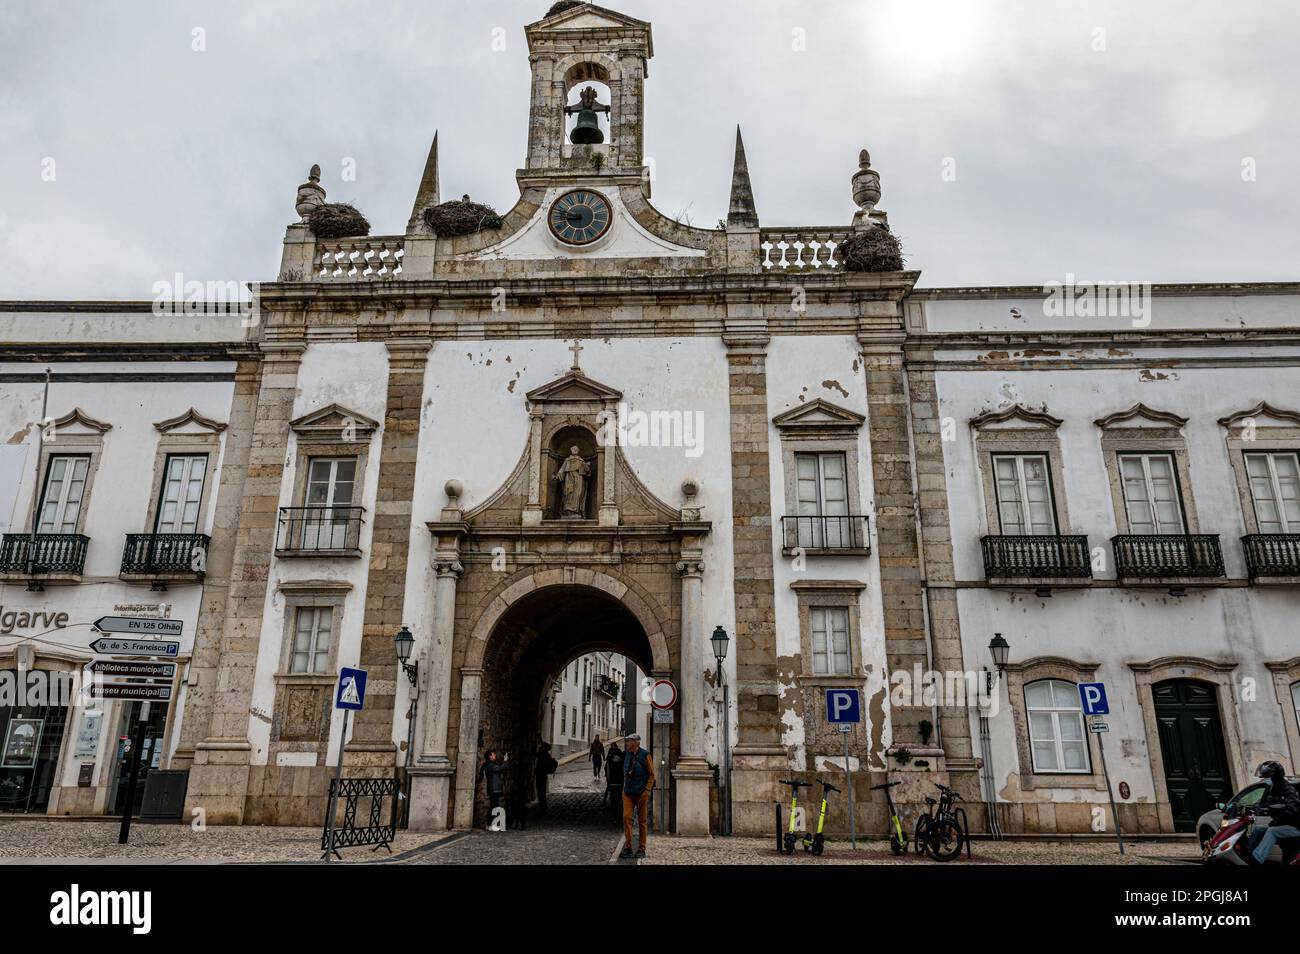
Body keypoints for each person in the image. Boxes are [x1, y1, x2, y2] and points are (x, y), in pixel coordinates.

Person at [1245, 760, 1300, 865]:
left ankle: (1256, 859)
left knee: (1272, 831)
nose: (1270, 780)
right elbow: (1265, 803)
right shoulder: (1274, 789)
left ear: (1277, 776)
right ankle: (1249, 856)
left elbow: (1292, 807)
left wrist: (1274, 808)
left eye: (1271, 777)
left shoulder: (1288, 789)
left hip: (1296, 827)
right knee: (1258, 830)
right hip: (1282, 825)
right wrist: (1256, 807)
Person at [620, 733, 655, 859]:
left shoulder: (645, 755)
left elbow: (651, 774)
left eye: (628, 741)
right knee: (627, 818)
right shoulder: (627, 755)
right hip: (628, 793)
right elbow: (625, 773)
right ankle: (628, 847)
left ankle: (641, 848)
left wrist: (647, 790)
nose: (626, 744)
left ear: (635, 743)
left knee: (642, 822)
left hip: (641, 793)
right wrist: (623, 791)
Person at [478, 749, 510, 827]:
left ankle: (492, 823)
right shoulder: (489, 765)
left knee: (494, 806)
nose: (495, 756)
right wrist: (505, 761)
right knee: (493, 806)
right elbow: (499, 768)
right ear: (490, 757)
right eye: (493, 754)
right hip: (494, 789)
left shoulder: (492, 764)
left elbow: (500, 767)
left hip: (496, 788)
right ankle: (490, 823)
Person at [534, 741, 558, 816]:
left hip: (540, 775)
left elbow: (534, 753)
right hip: (543, 775)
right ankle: (543, 808)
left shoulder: (542, 754)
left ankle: (543, 809)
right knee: (542, 792)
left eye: (541, 746)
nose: (539, 747)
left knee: (540, 792)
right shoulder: (547, 755)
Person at [603, 742, 623, 808]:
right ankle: (607, 800)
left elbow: (607, 767)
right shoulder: (617, 752)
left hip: (614, 778)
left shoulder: (614, 753)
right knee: (610, 789)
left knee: (609, 788)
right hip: (617, 779)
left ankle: (605, 800)